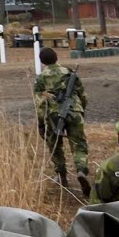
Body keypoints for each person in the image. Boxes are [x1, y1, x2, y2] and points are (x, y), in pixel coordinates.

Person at [33, 46, 90, 196]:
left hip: (53, 114)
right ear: (56, 58)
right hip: (74, 110)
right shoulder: (69, 73)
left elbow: (40, 103)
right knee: (78, 144)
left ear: (42, 61)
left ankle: (61, 175)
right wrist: (80, 110)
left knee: (54, 144)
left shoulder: (40, 78)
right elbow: (83, 95)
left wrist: (40, 123)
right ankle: (81, 170)